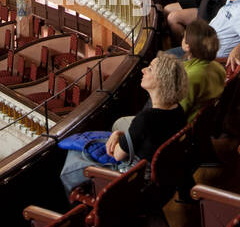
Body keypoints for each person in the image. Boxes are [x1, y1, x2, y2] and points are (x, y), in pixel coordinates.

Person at [60, 53, 187, 198]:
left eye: (150, 69)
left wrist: (116, 135)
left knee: (73, 154)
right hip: (162, 182)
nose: (143, 70)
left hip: (135, 184)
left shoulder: (145, 119)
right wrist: (121, 135)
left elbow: (118, 154)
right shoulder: (178, 110)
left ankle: (75, 206)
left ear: (162, 81)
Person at [179, 21, 225, 115]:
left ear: (187, 46)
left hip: (187, 124)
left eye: (184, 37)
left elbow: (178, 111)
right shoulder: (217, 67)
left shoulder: (189, 77)